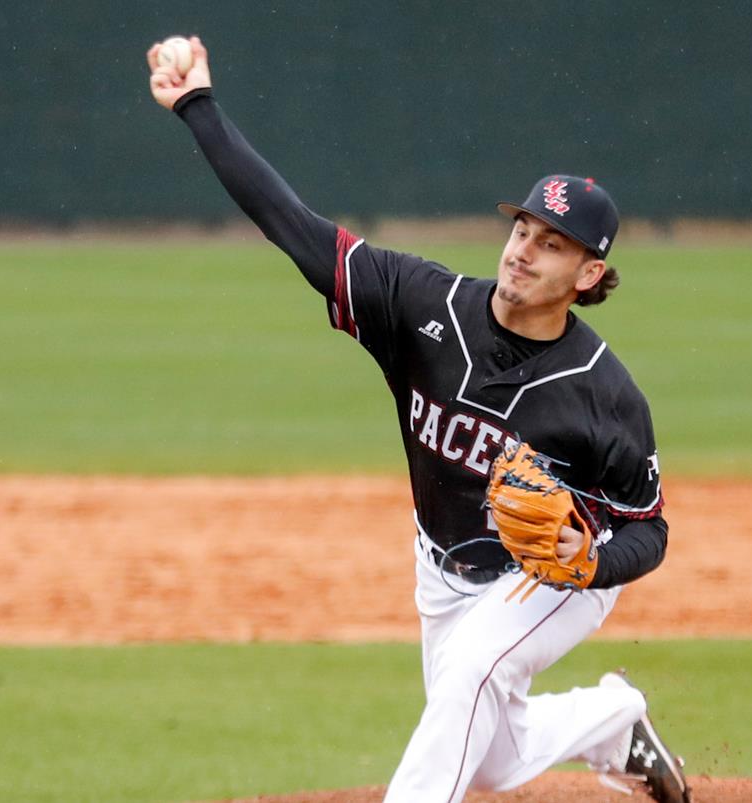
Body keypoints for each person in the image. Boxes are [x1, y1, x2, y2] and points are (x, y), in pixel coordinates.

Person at [146, 36, 691, 803]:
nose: (524, 251)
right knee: (490, 756)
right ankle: (613, 723)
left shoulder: (604, 393)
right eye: (523, 230)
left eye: (553, 244)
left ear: (589, 273)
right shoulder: (419, 302)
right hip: (442, 567)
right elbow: (288, 221)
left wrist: (590, 562)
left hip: (554, 572)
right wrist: (197, 106)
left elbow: (649, 527)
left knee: (469, 674)